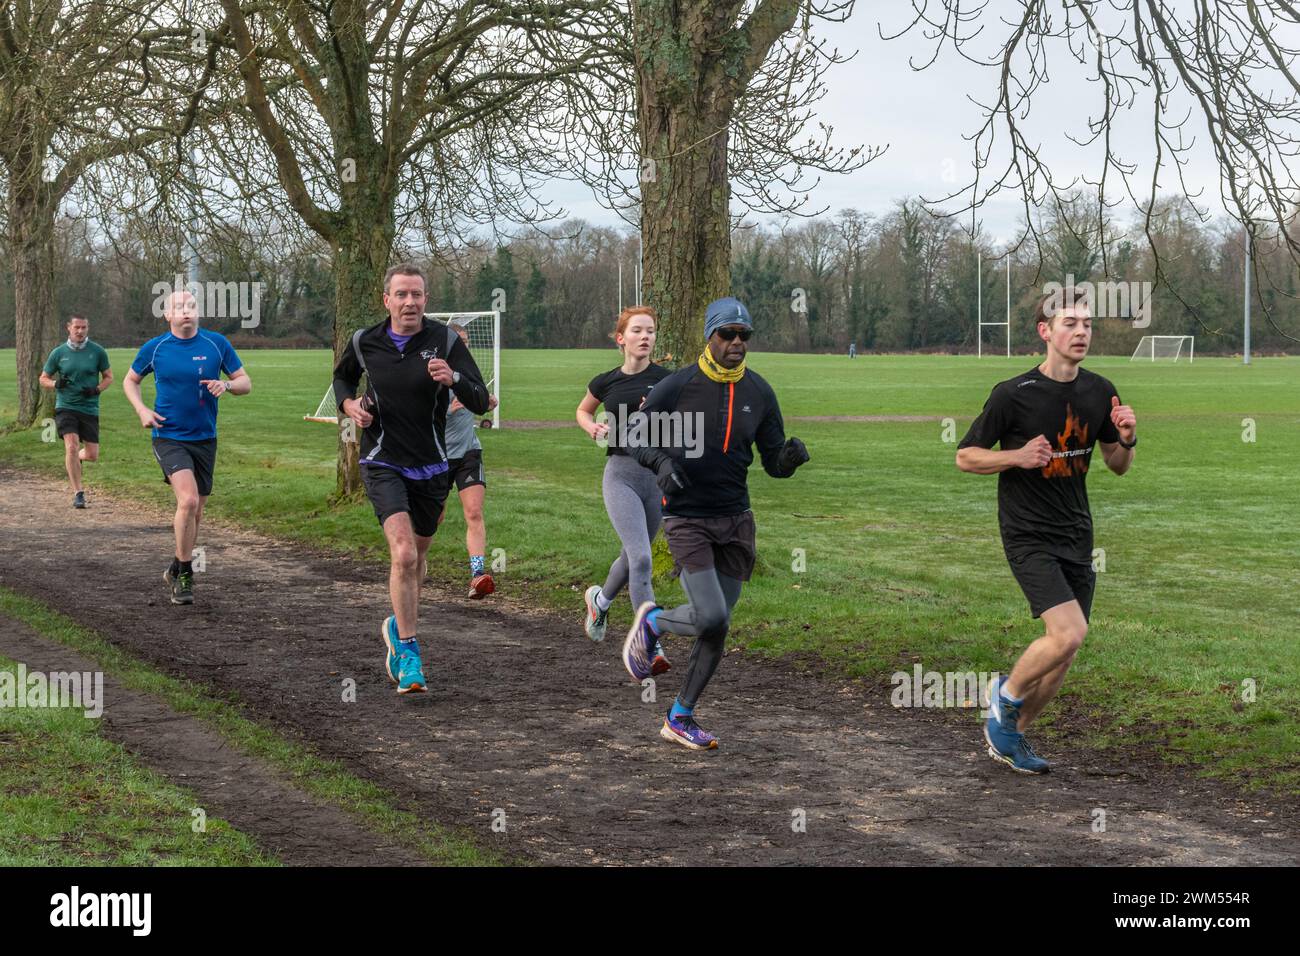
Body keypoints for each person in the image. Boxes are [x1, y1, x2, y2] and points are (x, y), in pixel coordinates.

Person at [956, 286, 1137, 774]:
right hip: (1028, 534)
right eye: (1070, 324)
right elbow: (965, 456)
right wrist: (1016, 456)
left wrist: (1126, 437)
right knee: (1069, 633)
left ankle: (1011, 738)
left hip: (1077, 535)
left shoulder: (1100, 390)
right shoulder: (1013, 395)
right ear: (1045, 332)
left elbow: (1117, 465)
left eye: (1087, 325)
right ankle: (1005, 696)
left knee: (1064, 656)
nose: (1081, 332)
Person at [624, 296, 810, 750]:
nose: (737, 343)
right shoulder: (678, 385)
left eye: (744, 336)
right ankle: (653, 624)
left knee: (718, 625)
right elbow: (636, 436)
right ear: (710, 335)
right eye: (728, 334)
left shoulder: (760, 392)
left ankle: (679, 716)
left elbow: (771, 462)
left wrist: (788, 460)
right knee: (711, 614)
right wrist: (662, 464)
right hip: (687, 517)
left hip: (736, 519)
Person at [332, 263, 490, 694]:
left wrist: (453, 377)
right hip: (382, 461)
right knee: (402, 555)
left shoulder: (445, 340)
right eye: (401, 294)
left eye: (417, 294)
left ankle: (395, 624)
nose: (410, 302)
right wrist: (348, 406)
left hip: (434, 466)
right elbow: (343, 377)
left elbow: (480, 400)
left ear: (425, 299)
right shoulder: (365, 342)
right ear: (387, 299)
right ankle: (409, 651)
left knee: (417, 562)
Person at [123, 290, 252, 605]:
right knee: (189, 500)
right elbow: (130, 380)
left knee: (197, 510)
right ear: (167, 315)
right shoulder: (155, 348)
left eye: (191, 306)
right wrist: (142, 410)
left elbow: (245, 383)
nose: (186, 311)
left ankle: (175, 565)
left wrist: (228, 384)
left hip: (205, 438)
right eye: (178, 307)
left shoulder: (216, 344)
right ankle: (185, 574)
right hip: (168, 435)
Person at [574, 306, 671, 674]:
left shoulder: (667, 380)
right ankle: (649, 642)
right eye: (637, 331)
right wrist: (591, 427)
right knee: (643, 559)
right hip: (621, 475)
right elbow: (583, 411)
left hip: (656, 477)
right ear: (621, 338)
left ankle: (599, 599)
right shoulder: (606, 381)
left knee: (633, 557)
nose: (645, 337)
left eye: (650, 331)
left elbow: (684, 423)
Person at [440, 321, 499, 599]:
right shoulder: (434, 374)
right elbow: (416, 418)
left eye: (466, 340)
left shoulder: (470, 373)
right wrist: (448, 411)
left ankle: (478, 575)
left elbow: (484, 400)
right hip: (436, 456)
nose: (464, 345)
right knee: (432, 520)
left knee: (474, 512)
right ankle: (412, 562)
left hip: (468, 453)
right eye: (457, 340)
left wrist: (488, 401)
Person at [40, 315, 112, 509]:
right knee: (70, 446)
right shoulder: (58, 353)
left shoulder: (97, 352)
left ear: (87, 328)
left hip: (89, 407)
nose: (80, 331)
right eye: (77, 328)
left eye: (84, 328)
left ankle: (76, 460)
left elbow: (108, 377)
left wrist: (97, 389)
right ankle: (78, 493)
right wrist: (56, 383)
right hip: (66, 406)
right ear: (68, 328)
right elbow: (43, 378)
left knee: (92, 455)